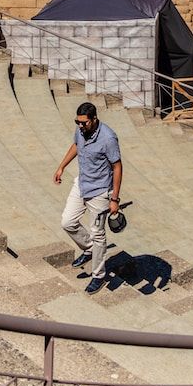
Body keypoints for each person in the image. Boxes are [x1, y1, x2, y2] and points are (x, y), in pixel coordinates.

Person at [53, 101, 122, 294]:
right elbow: (76, 145)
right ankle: (89, 248)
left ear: (94, 119)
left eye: (84, 123)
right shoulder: (81, 130)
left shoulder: (108, 138)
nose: (80, 126)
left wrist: (114, 199)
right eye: (78, 122)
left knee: (98, 233)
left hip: (100, 191)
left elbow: (117, 167)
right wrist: (61, 166)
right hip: (82, 184)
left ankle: (98, 275)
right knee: (67, 222)